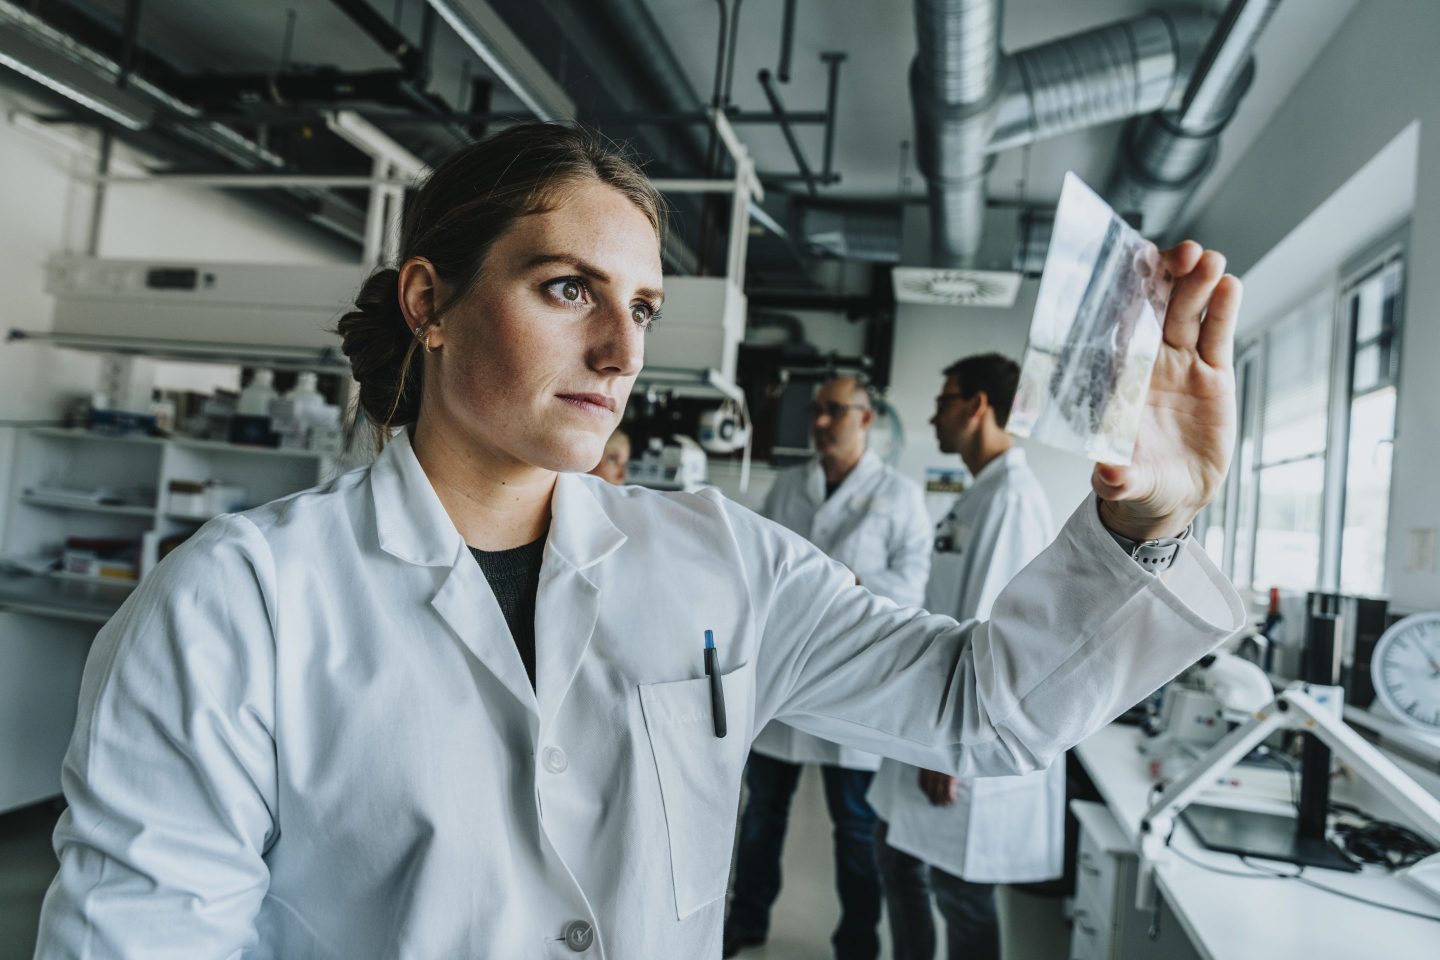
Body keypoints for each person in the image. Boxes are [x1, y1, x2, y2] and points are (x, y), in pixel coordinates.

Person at [34, 122, 1246, 959]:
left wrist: (1146, 520)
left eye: (644, 308)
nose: (622, 352)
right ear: (429, 303)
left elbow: (981, 706)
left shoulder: (723, 557)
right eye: (570, 290)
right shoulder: (236, 607)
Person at [725, 376, 932, 960]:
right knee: (763, 814)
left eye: (833, 411)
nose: (818, 421)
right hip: (784, 680)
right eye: (815, 410)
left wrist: (837, 586)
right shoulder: (790, 485)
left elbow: (911, 589)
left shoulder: (900, 496)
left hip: (853, 681)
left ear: (865, 419)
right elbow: (762, 569)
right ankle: (747, 920)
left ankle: (857, 942)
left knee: (856, 830)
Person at [868, 353, 1060, 960]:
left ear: (978, 405)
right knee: (898, 861)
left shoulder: (1012, 500)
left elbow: (995, 633)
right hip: (936, 717)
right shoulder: (981, 496)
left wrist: (952, 747)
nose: (933, 415)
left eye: (944, 400)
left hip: (963, 734)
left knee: (959, 894)